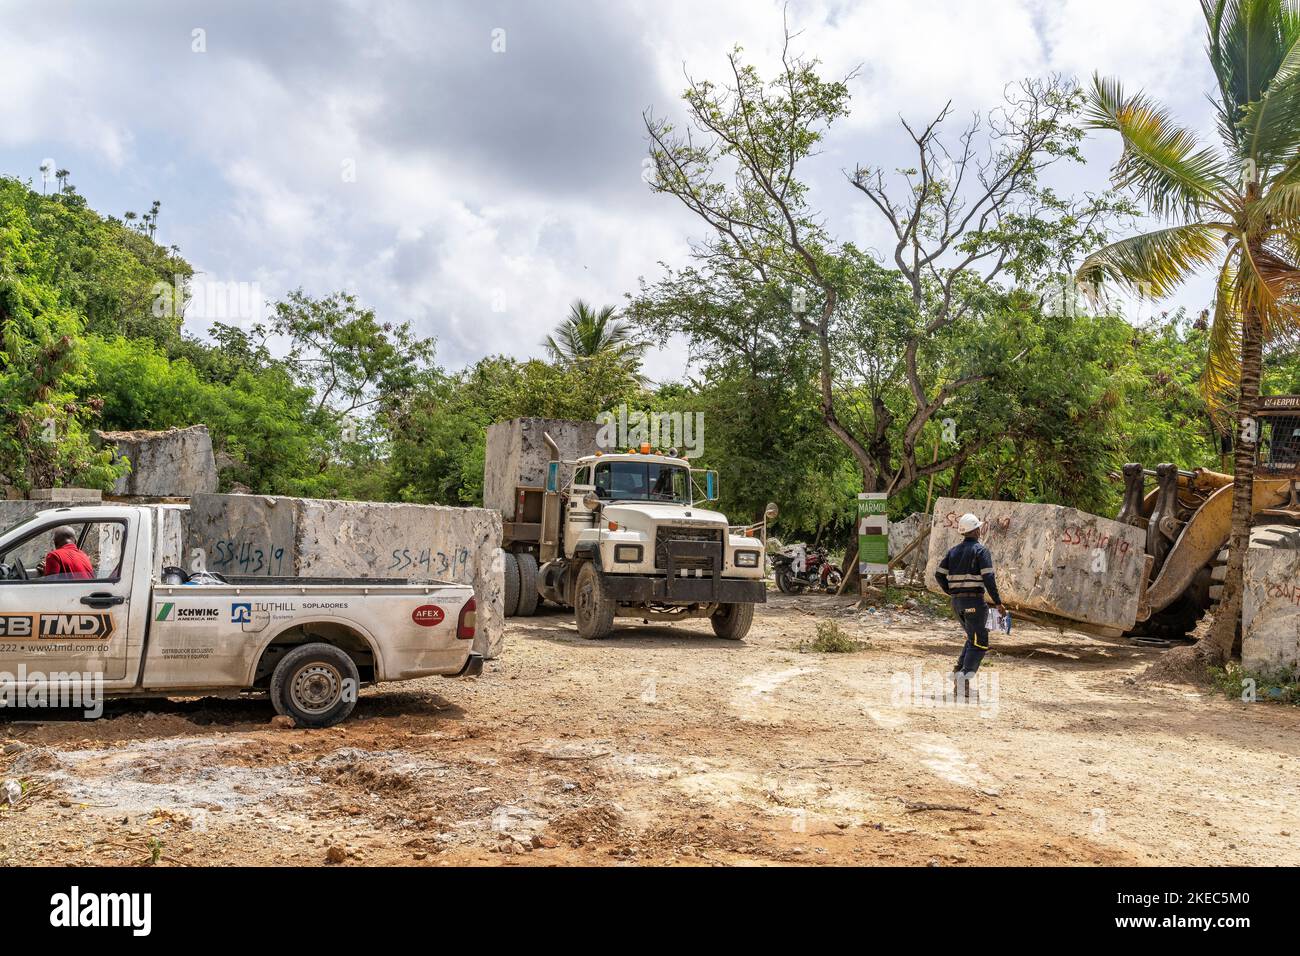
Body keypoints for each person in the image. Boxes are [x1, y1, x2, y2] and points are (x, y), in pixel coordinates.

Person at [934, 513, 1004, 700]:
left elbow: (939, 574)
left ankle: (958, 671)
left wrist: (952, 592)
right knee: (980, 642)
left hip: (957, 603)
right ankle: (963, 681)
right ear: (976, 530)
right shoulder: (981, 551)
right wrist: (998, 602)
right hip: (974, 602)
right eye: (979, 527)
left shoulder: (953, 552)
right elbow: (988, 578)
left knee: (972, 638)